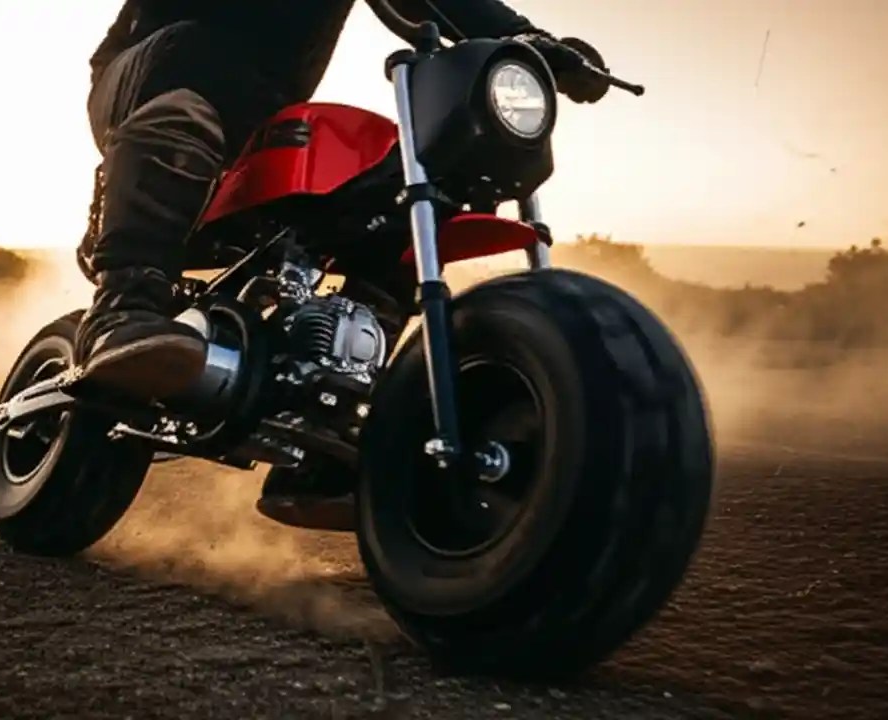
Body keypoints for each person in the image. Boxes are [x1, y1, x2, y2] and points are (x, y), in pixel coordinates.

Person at [76, 1, 610, 525]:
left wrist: (530, 41)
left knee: (409, 190)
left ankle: (329, 420)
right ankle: (124, 306)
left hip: (262, 104)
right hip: (152, 68)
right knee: (195, 62)